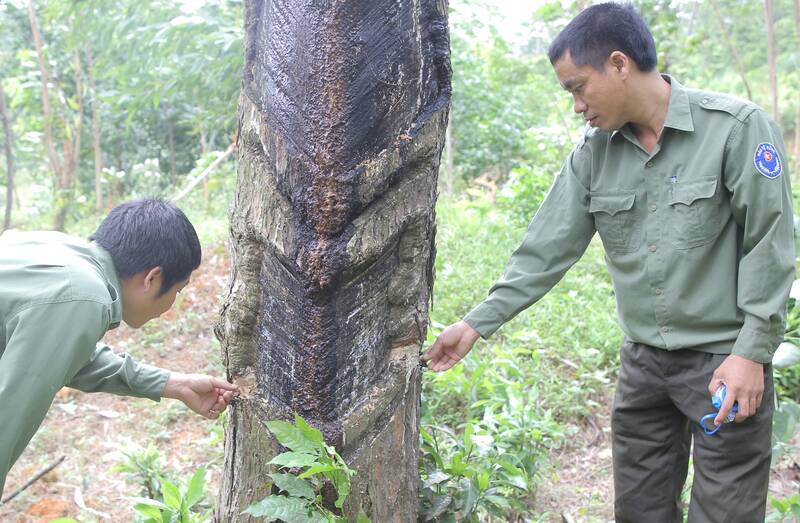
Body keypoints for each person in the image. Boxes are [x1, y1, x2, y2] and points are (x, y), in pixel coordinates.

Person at [423, 3, 794, 521]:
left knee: (726, 513)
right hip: (644, 367)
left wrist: (752, 353)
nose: (576, 105)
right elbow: (545, 249)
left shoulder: (735, 129)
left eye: (578, 87)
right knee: (639, 511)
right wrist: (475, 323)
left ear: (619, 64)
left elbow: (771, 244)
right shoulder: (595, 154)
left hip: (724, 363)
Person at [0, 198, 238, 496]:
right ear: (153, 278)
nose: (172, 304)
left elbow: (61, 356)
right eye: (178, 290)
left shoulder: (58, 253)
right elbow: (9, 413)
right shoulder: (83, 298)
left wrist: (173, 384)